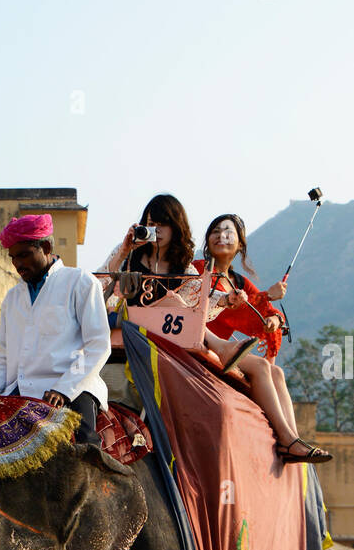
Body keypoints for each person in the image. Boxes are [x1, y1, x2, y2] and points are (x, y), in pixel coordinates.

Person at [196, 214, 331, 464]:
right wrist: (267, 296)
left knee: (276, 373)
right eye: (215, 231)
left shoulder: (238, 281)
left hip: (224, 350)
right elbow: (216, 305)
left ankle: (292, 439)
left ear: (240, 245)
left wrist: (274, 321)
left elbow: (269, 313)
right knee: (259, 366)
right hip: (200, 340)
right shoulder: (198, 270)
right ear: (207, 240)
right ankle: (288, 439)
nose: (221, 236)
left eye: (228, 232)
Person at [0, 213, 110, 444]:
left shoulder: (81, 282)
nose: (17, 264)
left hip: (73, 388)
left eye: (24, 255)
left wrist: (64, 389)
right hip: (21, 390)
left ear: (45, 247)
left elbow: (98, 345)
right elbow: (4, 356)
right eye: (13, 257)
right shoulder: (12, 298)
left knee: (84, 451)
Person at [98, 192, 198, 308]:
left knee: (174, 302)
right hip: (123, 323)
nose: (156, 230)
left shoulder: (183, 268)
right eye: (151, 224)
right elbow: (100, 283)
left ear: (176, 227)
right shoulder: (128, 253)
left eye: (163, 224)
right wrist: (123, 252)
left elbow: (204, 294)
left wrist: (224, 299)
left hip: (161, 325)